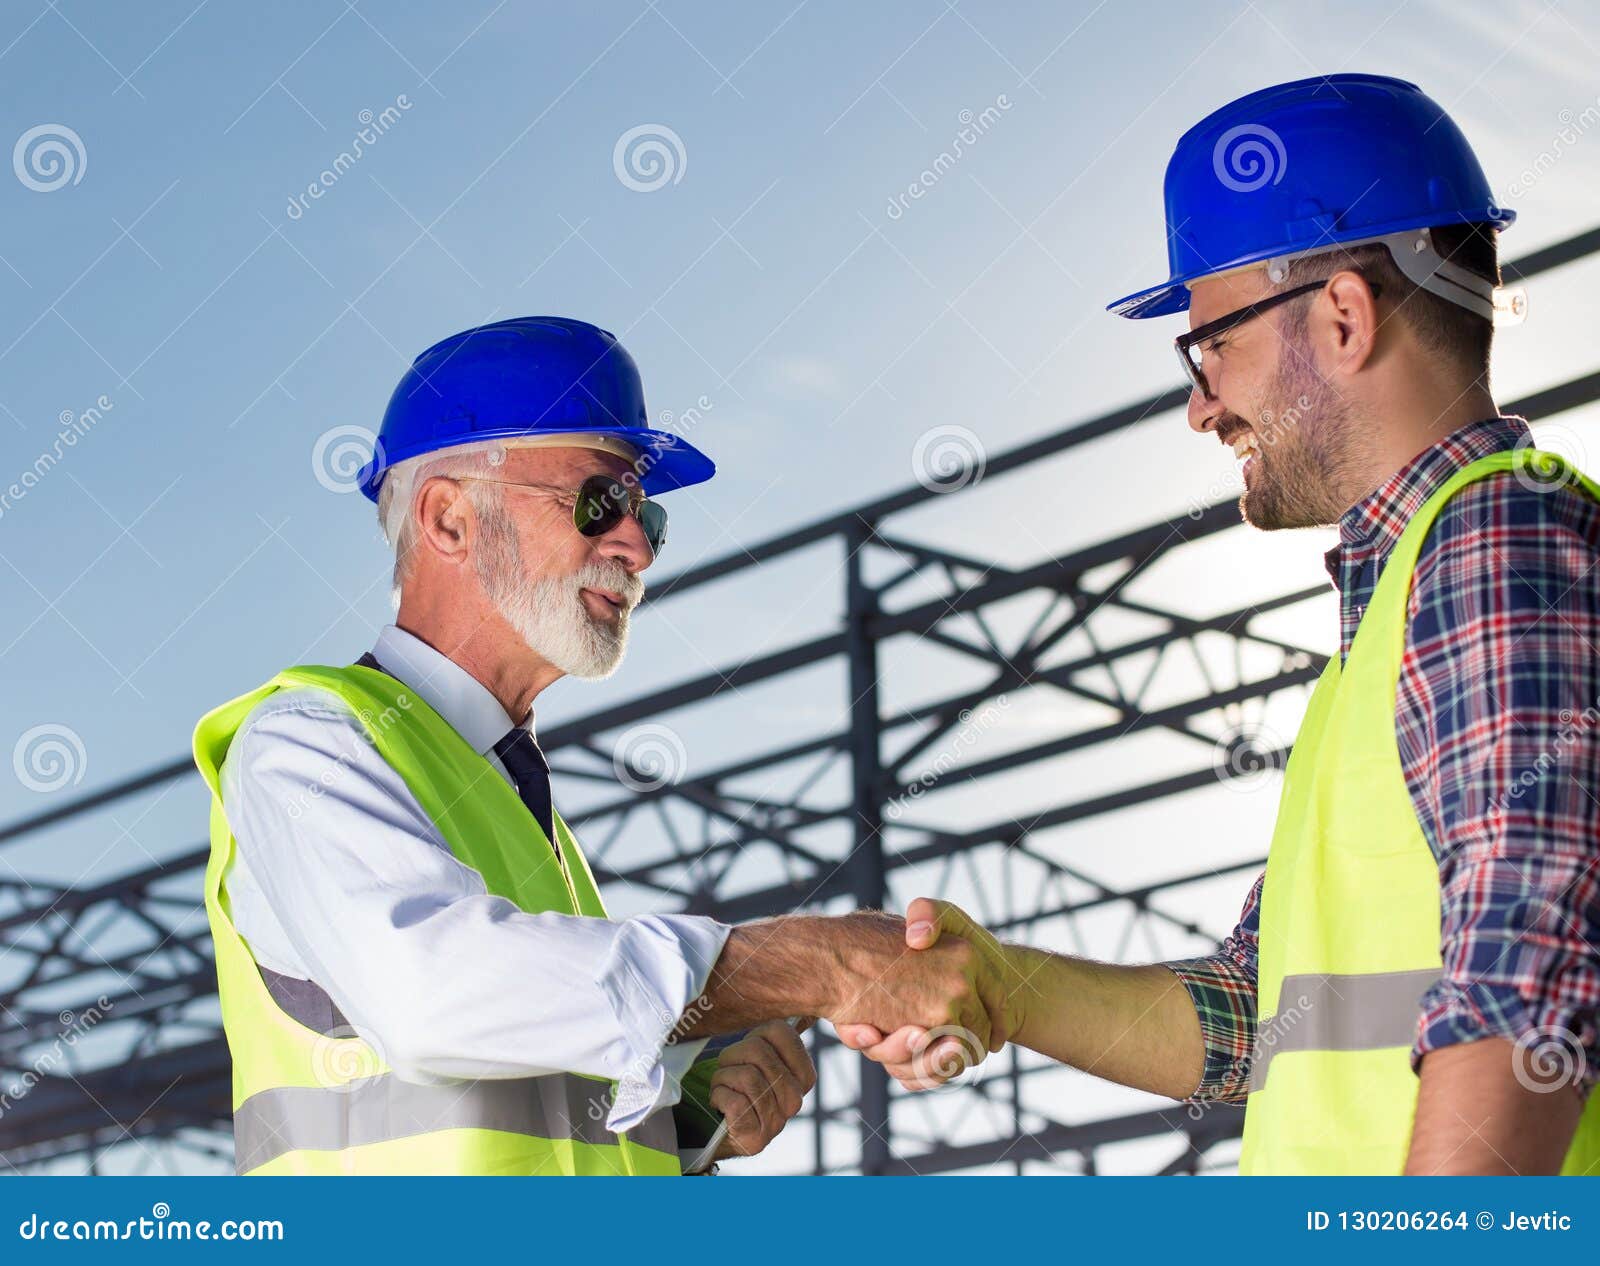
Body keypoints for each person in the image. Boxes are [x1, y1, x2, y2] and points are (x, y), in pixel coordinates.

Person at [840, 75, 1600, 1176]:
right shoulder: (1391, 619)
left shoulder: (1496, 539)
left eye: (1212, 347)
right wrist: (1001, 986)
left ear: (1342, 316)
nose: (1198, 404)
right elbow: (1256, 1020)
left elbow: (1521, 969)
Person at [193, 316, 1005, 1176]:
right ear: (449, 519)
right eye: (599, 502)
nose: (636, 549)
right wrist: (814, 961)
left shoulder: (518, 815)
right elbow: (432, 996)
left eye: (645, 516)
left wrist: (689, 1108)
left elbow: (526, 1081)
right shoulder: (309, 747)